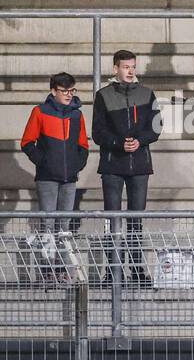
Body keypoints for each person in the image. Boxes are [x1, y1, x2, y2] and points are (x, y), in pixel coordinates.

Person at [92, 50, 160, 283]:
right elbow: (98, 132)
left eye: (133, 67)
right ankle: (113, 271)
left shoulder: (147, 94)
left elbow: (156, 127)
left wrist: (139, 141)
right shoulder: (103, 95)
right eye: (125, 67)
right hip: (112, 166)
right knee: (113, 220)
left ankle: (137, 269)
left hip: (140, 165)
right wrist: (119, 144)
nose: (130, 71)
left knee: (136, 221)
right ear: (115, 69)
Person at [21, 72, 88, 234]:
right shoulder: (39, 111)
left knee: (65, 225)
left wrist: (77, 165)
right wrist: (44, 162)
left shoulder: (77, 114)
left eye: (71, 90)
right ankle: (47, 252)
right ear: (53, 91)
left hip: (70, 178)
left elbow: (83, 145)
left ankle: (62, 251)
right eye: (64, 91)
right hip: (47, 178)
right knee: (48, 224)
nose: (69, 94)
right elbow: (27, 142)